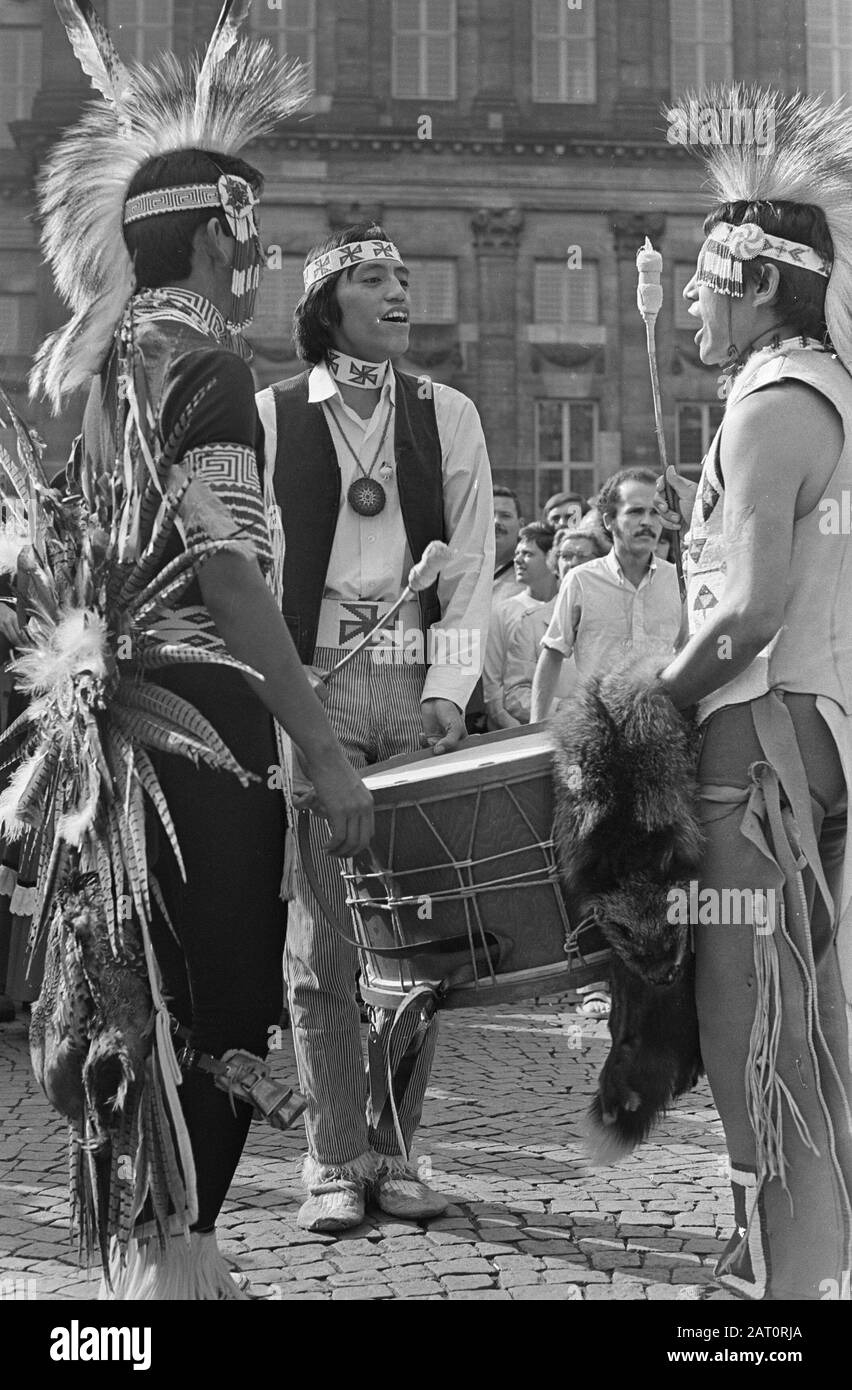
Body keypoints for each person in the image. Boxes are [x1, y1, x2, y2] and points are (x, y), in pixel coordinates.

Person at [20, 15, 372, 1299]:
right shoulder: (206, 364)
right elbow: (229, 579)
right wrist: (324, 747)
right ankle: (170, 1278)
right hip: (205, 737)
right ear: (220, 230)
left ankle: (161, 1265)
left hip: (120, 737)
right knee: (210, 1000)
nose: (266, 254)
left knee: (132, 993)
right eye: (254, 229)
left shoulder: (113, 363)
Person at [650, 86, 852, 1301]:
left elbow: (756, 608)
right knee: (778, 1001)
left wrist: (652, 708)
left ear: (755, 281)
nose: (686, 299)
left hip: (762, 747)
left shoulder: (780, 402)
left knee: (745, 1004)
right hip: (795, 734)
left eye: (700, 278)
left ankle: (779, 1277)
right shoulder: (802, 389)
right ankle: (782, 1245)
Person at [256, 222, 494, 1233]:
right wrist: (292, 710)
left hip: (410, 685)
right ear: (325, 304)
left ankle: (395, 1152)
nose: (398, 291)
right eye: (371, 278)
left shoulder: (447, 413)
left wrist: (449, 691)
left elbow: (474, 561)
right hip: (315, 684)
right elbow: (257, 568)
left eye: (402, 276)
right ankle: (330, 1157)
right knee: (321, 934)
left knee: (419, 937)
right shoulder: (273, 415)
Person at [530, 467, 685, 723]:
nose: (647, 522)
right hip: (599, 724)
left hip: (664, 723)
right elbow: (553, 653)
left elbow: (687, 649)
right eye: (635, 511)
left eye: (655, 512)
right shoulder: (581, 580)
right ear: (608, 521)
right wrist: (535, 725)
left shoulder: (679, 580)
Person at [483, 523, 575, 729]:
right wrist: (517, 731)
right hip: (515, 728)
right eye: (517, 553)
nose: (517, 560)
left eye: (527, 554)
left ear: (552, 558)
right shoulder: (502, 611)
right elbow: (493, 685)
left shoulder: (572, 607)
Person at [492, 485, 525, 604]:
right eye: (489, 515)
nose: (496, 522)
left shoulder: (533, 573)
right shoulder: (464, 568)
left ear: (521, 525)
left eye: (505, 516)